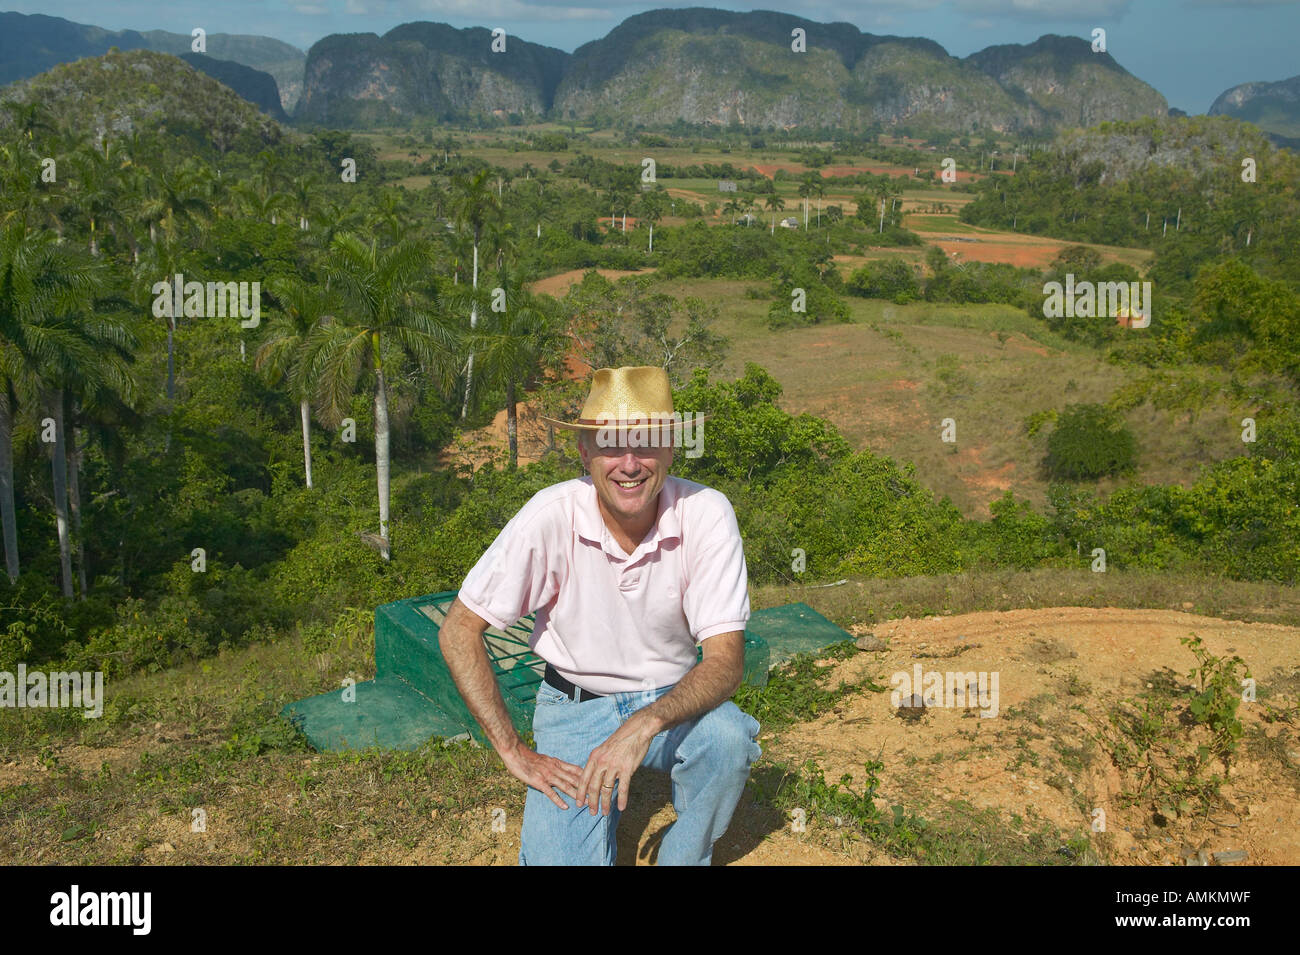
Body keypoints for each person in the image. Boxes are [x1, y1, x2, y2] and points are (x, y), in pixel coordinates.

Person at [438, 365, 761, 865]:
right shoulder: (551, 515)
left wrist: (642, 724)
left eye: (646, 443)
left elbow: (725, 661)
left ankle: (683, 856)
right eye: (611, 444)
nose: (629, 464)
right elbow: (460, 628)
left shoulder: (706, 512)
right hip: (576, 705)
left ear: (671, 449)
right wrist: (512, 750)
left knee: (726, 739)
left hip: (673, 702)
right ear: (585, 452)